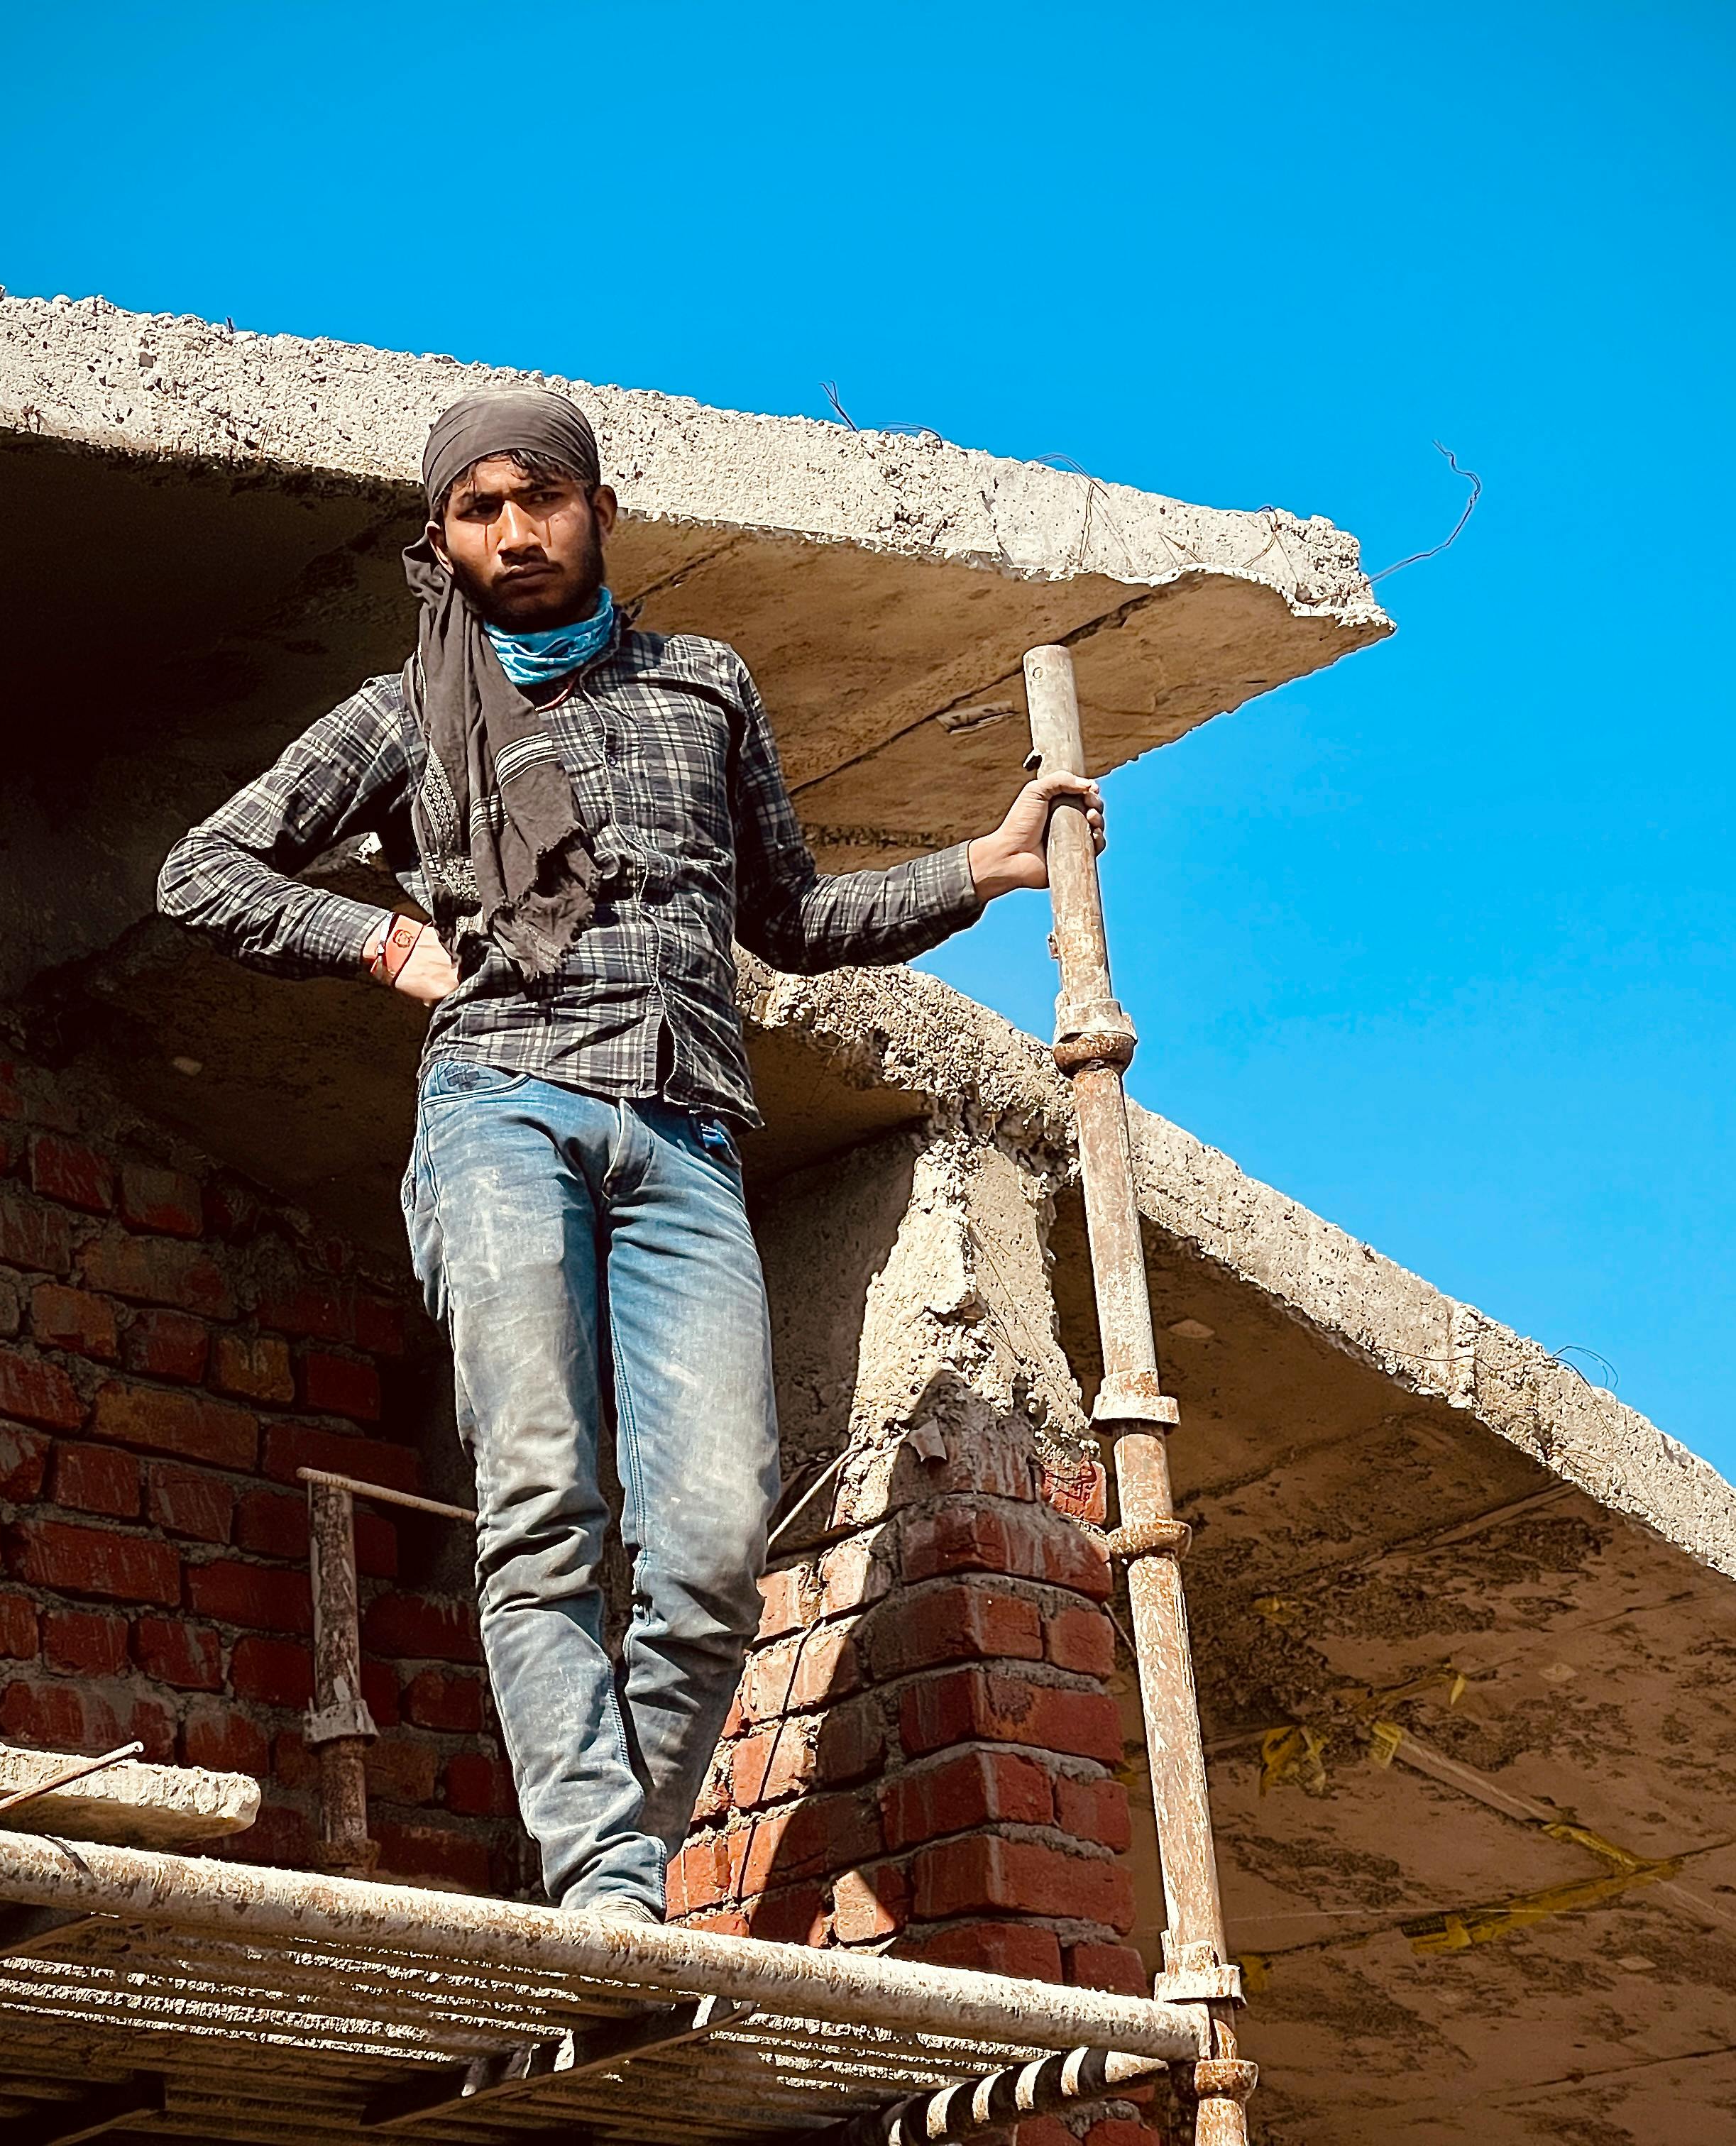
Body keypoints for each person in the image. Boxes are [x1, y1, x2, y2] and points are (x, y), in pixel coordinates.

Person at [158, 386, 1099, 1922]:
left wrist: (978, 871)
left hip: (686, 1132)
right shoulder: (410, 712)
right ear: (442, 537)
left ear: (598, 509)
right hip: (502, 1107)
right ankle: (607, 1879)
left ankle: (619, 1854)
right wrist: (387, 941)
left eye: (539, 500)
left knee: (718, 1535)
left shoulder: (702, 688)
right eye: (477, 510)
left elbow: (786, 918)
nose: (513, 533)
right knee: (544, 1501)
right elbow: (203, 868)